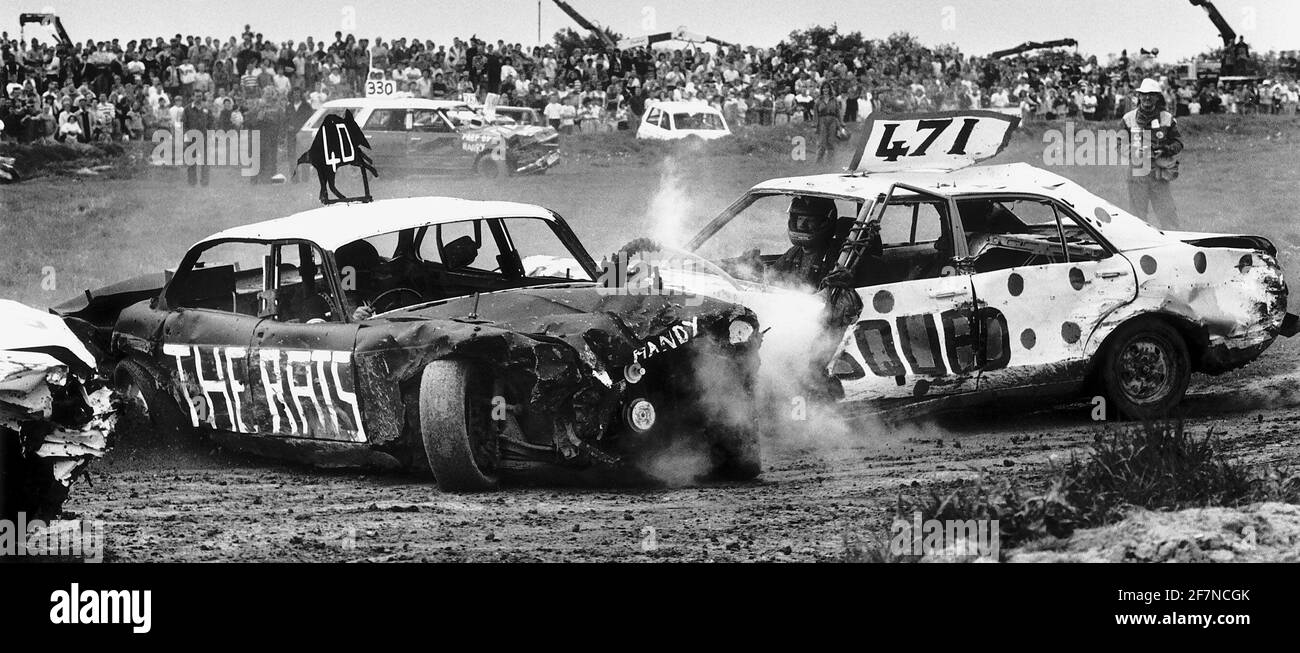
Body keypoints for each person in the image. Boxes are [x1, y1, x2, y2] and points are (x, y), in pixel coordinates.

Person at [1122, 78, 1183, 229]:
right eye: (1144, 94)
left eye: (1151, 94)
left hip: (1159, 173)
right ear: (1139, 96)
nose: (1147, 97)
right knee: (1137, 218)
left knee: (1168, 215)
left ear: (1157, 97)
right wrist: (1135, 153)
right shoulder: (1128, 118)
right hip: (1137, 173)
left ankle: (1176, 248)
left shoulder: (1167, 118)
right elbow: (1120, 145)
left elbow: (1178, 143)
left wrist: (1165, 150)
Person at [769, 195, 840, 288]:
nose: (802, 225)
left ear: (823, 223)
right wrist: (756, 266)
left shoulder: (835, 254)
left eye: (810, 220)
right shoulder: (794, 252)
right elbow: (772, 275)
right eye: (800, 218)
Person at [182, 91, 213, 186]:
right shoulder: (187, 109)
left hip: (204, 138)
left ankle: (204, 183)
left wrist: (210, 135)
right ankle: (192, 183)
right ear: (192, 97)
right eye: (197, 96)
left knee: (205, 162)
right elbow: (184, 124)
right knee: (191, 162)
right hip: (192, 139)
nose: (199, 98)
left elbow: (211, 123)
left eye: (200, 96)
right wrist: (186, 137)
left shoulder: (206, 109)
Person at [813, 85, 842, 164]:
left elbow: (838, 112)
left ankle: (830, 162)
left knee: (831, 142)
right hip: (822, 120)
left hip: (833, 120)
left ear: (829, 89)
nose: (825, 89)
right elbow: (815, 114)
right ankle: (818, 162)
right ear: (822, 89)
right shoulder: (818, 100)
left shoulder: (834, 100)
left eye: (827, 88)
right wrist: (815, 125)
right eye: (824, 88)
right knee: (822, 142)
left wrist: (841, 123)